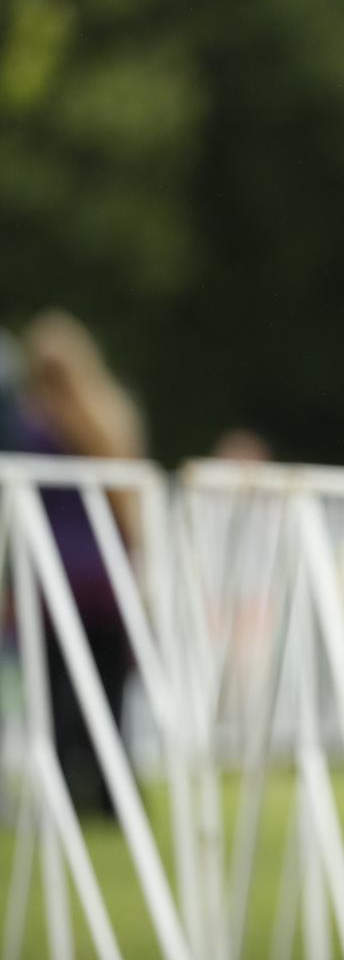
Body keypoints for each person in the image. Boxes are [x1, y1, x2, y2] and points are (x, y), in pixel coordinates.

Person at [7, 310, 145, 815]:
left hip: (54, 576)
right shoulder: (112, 416)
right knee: (109, 696)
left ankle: (64, 793)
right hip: (106, 574)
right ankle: (113, 797)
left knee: (56, 694)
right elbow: (128, 508)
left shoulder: (33, 427)